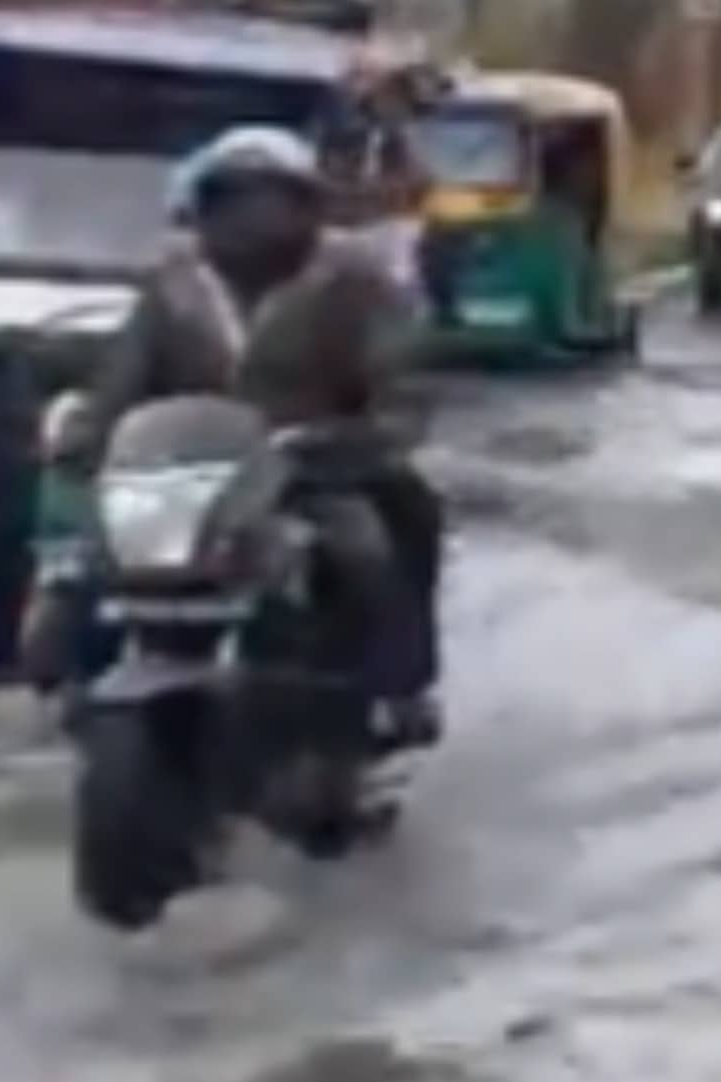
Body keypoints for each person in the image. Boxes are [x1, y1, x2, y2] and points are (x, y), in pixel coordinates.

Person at [49, 126, 444, 747]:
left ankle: (398, 689)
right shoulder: (173, 286)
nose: (252, 219)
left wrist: (373, 434)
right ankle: (73, 676)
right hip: (187, 478)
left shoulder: (354, 282)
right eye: (233, 200)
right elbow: (124, 381)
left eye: (271, 200)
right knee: (85, 555)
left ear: (308, 207)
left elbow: (397, 379)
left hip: (310, 476)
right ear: (203, 207)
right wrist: (90, 433)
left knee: (378, 543)